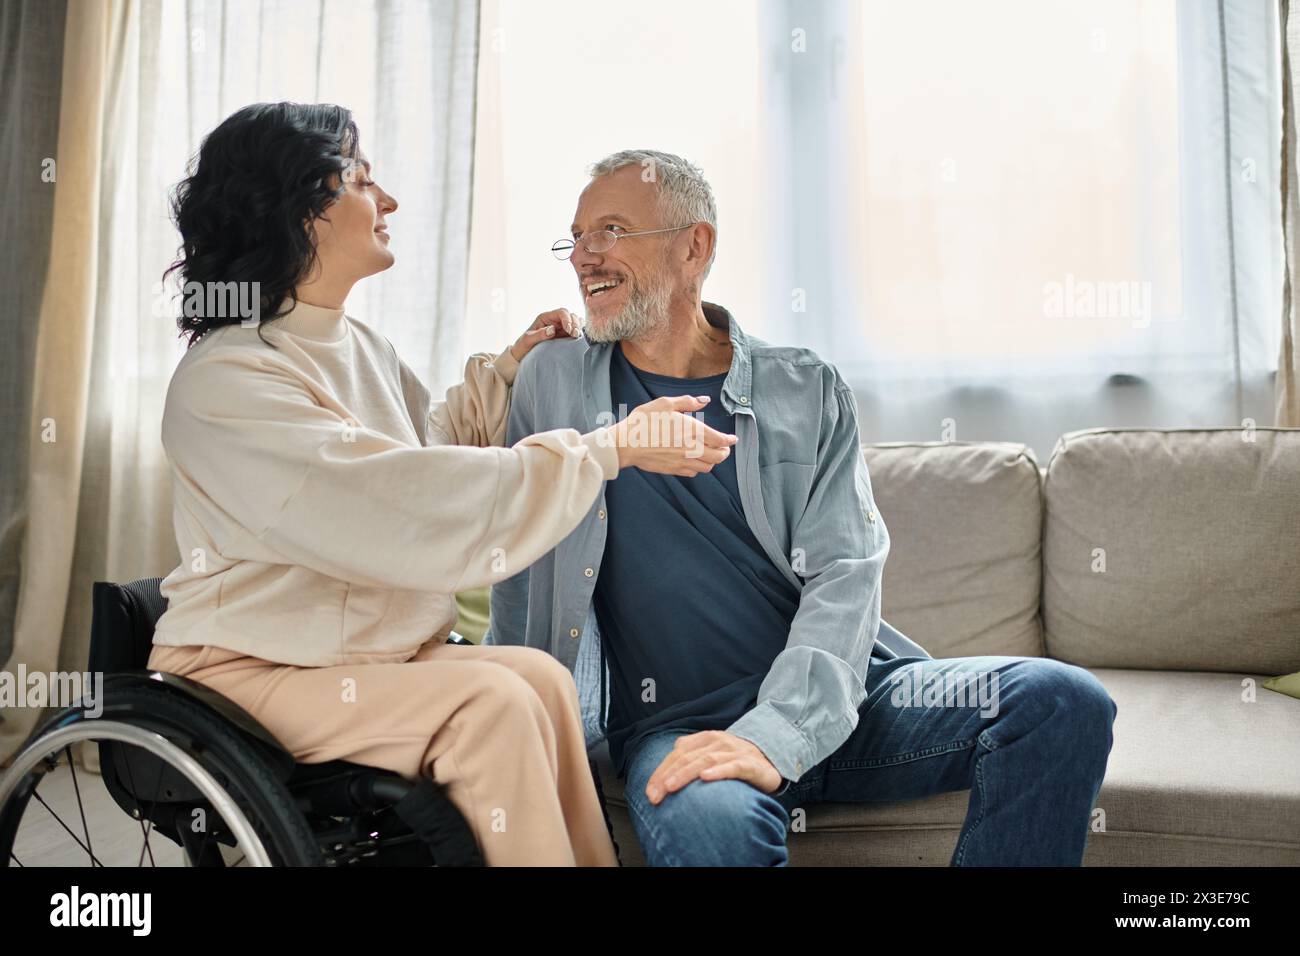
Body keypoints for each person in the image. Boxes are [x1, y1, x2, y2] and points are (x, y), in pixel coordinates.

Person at [486, 148, 1118, 866]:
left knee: (1061, 698)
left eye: (609, 230)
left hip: (852, 702)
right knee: (709, 828)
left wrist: (775, 734)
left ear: (696, 247)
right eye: (576, 236)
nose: (582, 257)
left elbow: (846, 573)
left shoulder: (804, 388)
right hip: (681, 731)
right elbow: (514, 544)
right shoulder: (553, 379)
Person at [145, 105, 738, 867]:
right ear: (301, 213)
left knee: (541, 681)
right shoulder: (225, 380)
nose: (387, 202)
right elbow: (391, 502)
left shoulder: (351, 341)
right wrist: (603, 451)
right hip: (248, 673)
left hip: (349, 657)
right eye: (362, 181)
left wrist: (508, 369)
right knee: (490, 706)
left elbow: (418, 446)